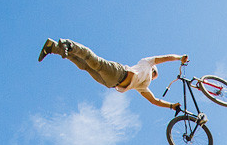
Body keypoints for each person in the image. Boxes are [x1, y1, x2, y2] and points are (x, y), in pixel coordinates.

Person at [39, 38, 188, 111]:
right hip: (119, 73)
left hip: (110, 83)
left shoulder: (143, 86)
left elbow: (154, 101)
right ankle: (69, 44)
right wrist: (179, 57)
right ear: (154, 70)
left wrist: (172, 106)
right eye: (155, 75)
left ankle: (53, 47)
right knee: (95, 62)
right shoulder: (147, 63)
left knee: (84, 66)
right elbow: (165, 58)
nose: (154, 78)